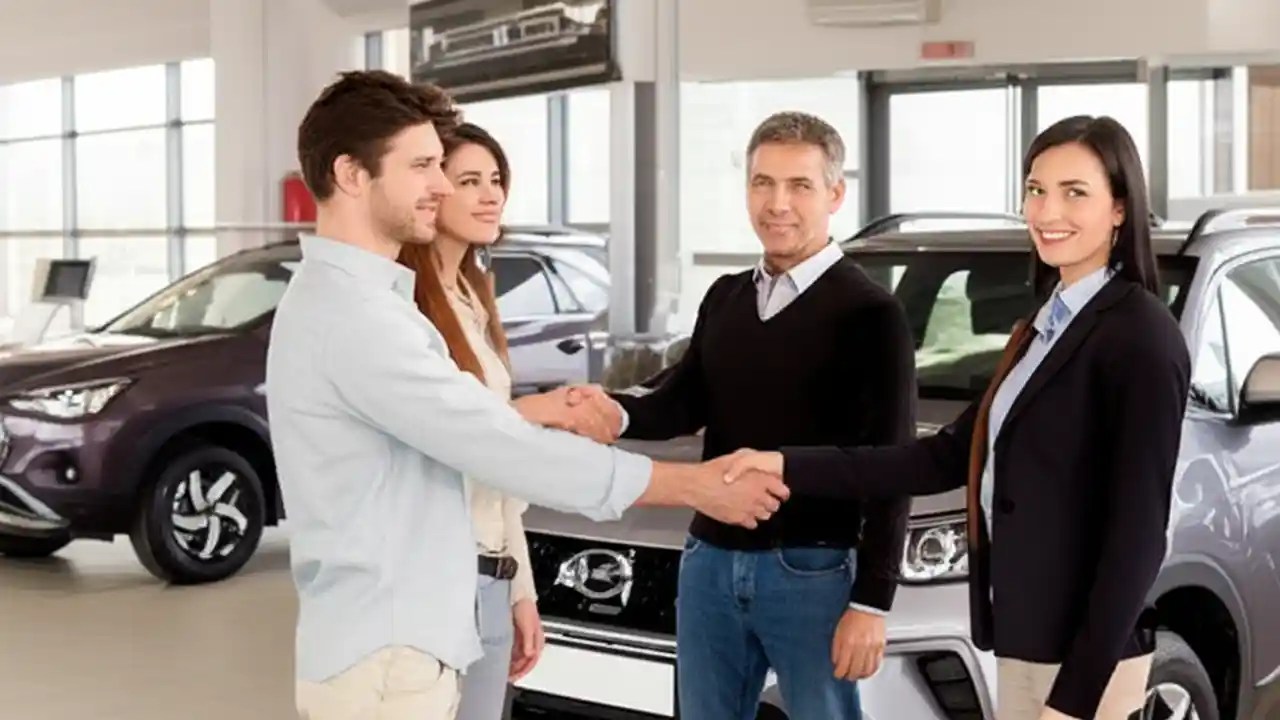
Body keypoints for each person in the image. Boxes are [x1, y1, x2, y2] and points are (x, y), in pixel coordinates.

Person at [266, 70, 791, 720]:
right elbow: (501, 449)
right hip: (387, 653)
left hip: (405, 636)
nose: (440, 183)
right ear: (351, 174)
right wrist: (695, 486)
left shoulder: (364, 305)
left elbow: (470, 439)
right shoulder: (356, 318)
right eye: (424, 165)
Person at [724, 115, 1192, 720]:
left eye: (1075, 193)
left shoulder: (1141, 336)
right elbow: (939, 456)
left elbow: (1137, 541)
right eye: (1036, 189)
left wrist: (1073, 702)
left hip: (1082, 665)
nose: (1048, 211)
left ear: (1120, 208)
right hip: (1027, 641)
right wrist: (785, 463)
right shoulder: (1047, 325)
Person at [574, 111, 916, 720]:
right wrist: (613, 413)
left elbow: (893, 465)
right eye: (762, 183)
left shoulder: (870, 313)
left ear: (835, 194)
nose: (777, 203)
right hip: (708, 561)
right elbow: (683, 400)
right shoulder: (727, 295)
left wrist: (872, 602)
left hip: (811, 570)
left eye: (799, 185)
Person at [395, 122, 545, 720]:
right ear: (433, 190)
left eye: (496, 180)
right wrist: (543, 413)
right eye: (469, 181)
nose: (491, 196)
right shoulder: (404, 307)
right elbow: (454, 437)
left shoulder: (474, 297)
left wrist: (521, 592)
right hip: (435, 583)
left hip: (491, 579)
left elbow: (500, 469)